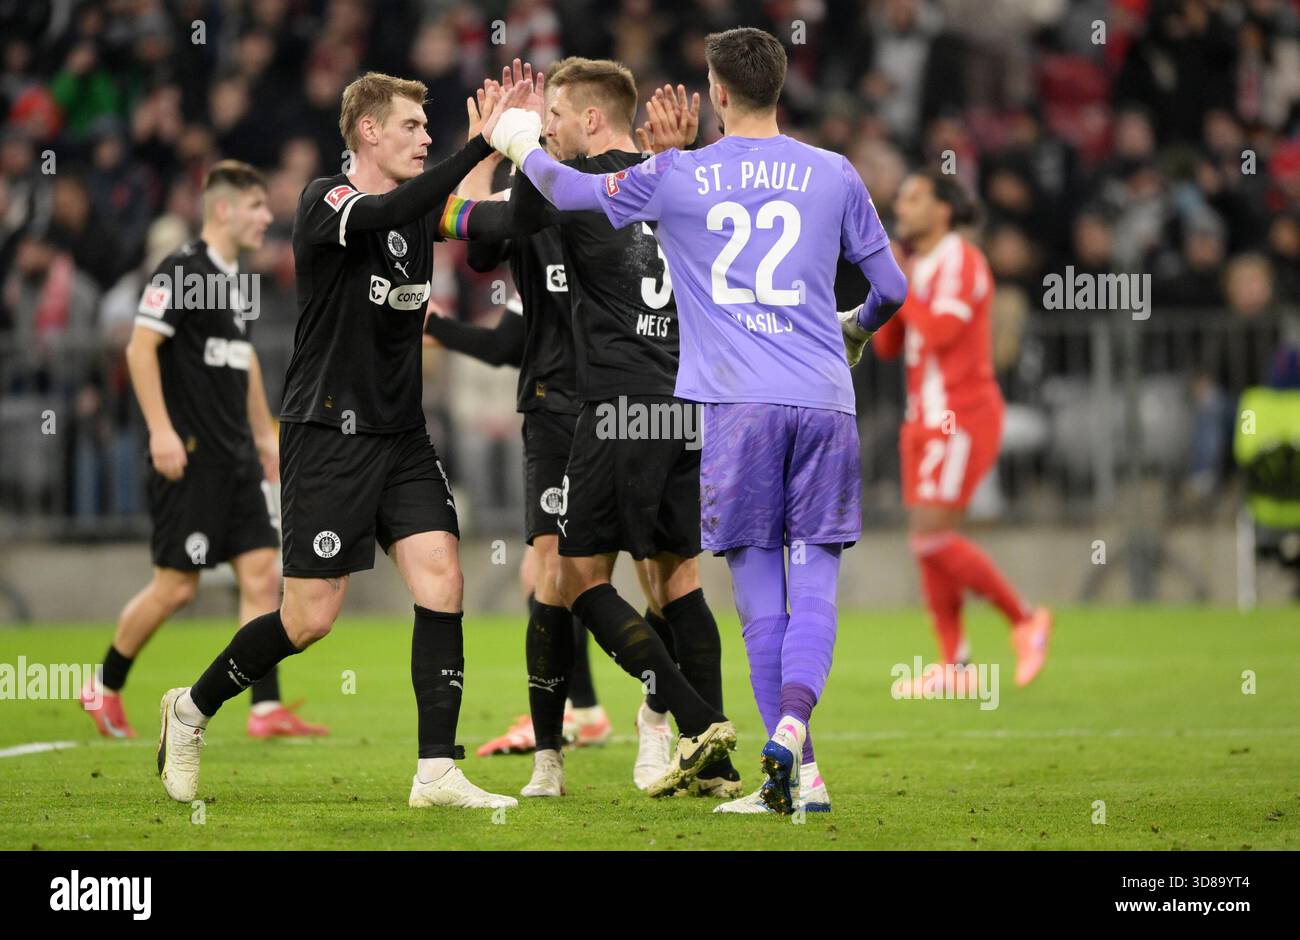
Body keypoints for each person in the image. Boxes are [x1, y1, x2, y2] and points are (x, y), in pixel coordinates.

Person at [486, 31, 909, 815]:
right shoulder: (836, 172)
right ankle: (797, 752)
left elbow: (570, 193)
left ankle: (779, 760)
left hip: (737, 410)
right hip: (824, 401)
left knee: (758, 603)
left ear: (717, 93)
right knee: (814, 581)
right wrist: (854, 327)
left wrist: (512, 137)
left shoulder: (681, 175)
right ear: (779, 88)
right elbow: (892, 288)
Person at [156, 72, 531, 810]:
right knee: (309, 619)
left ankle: (436, 772)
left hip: (400, 436)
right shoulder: (327, 201)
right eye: (412, 126)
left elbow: (486, 225)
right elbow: (393, 208)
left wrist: (564, 166)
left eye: (430, 128)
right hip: (327, 433)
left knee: (442, 578)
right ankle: (189, 710)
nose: (426, 137)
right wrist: (478, 145)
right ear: (368, 132)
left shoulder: (424, 209)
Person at [82, 160, 327, 741]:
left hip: (236, 457)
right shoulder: (180, 270)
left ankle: (264, 709)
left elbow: (239, 365)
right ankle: (104, 685)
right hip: (188, 456)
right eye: (258, 206)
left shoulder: (234, 280)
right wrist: (161, 431)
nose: (268, 217)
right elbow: (140, 350)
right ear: (223, 209)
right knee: (177, 587)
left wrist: (265, 434)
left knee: (263, 573)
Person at [871, 169, 1052, 695]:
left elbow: (945, 332)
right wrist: (890, 288)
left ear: (943, 209)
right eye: (899, 196)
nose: (900, 206)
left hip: (959, 415)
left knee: (931, 535)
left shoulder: (962, 261)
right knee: (926, 542)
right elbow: (887, 348)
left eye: (913, 197)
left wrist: (901, 285)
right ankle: (955, 664)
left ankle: (1025, 619)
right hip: (922, 419)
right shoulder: (919, 265)